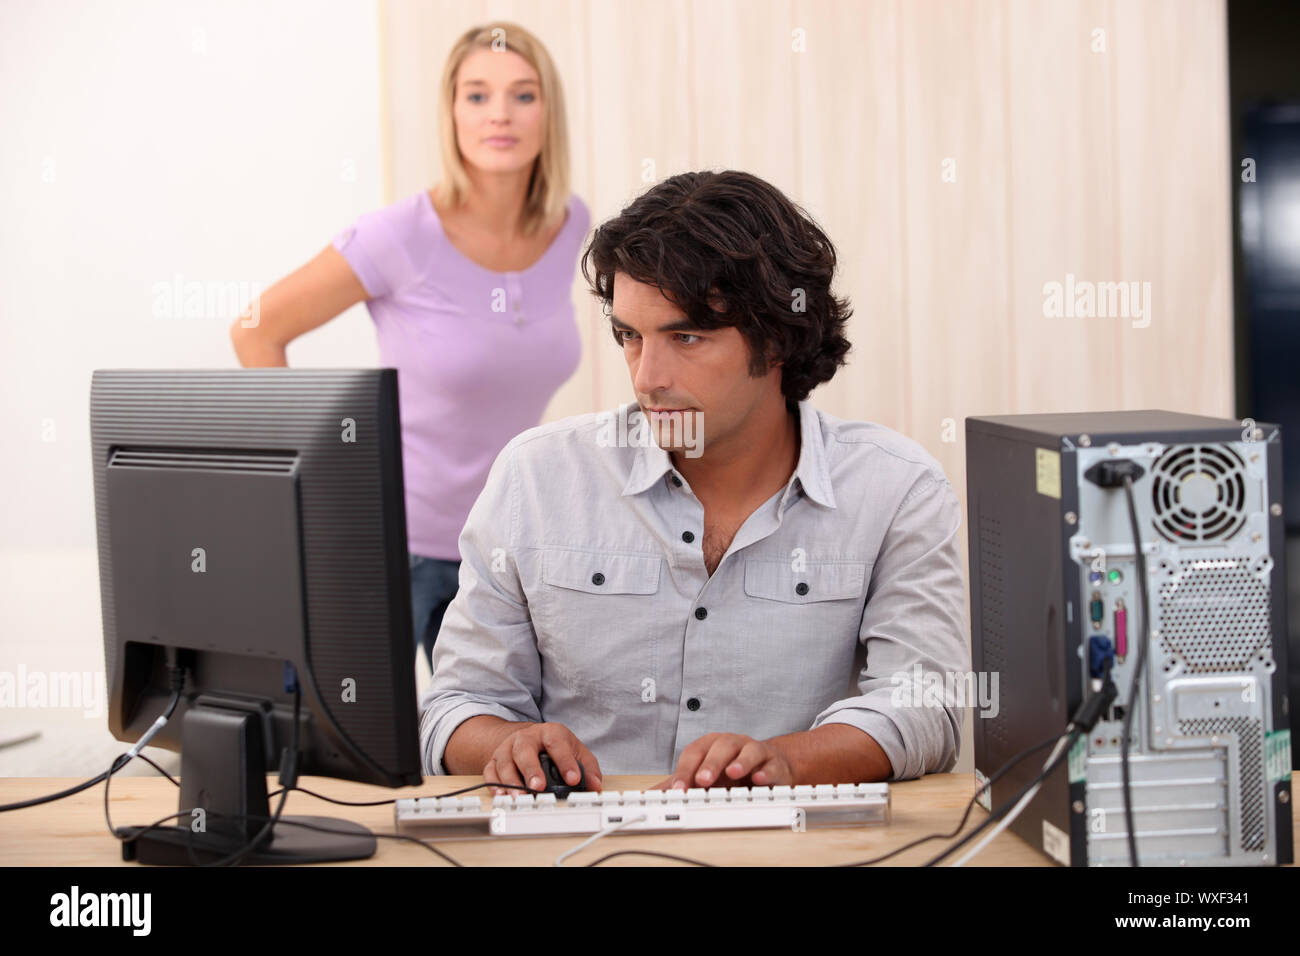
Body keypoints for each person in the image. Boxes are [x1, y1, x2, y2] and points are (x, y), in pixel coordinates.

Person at [420, 169, 970, 793]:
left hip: (790, 852)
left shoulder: (896, 489)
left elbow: (927, 704)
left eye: (686, 337)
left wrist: (789, 762)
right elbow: (454, 704)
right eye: (629, 336)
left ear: (779, 338)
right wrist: (507, 743)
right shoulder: (537, 477)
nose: (648, 377)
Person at [229, 23, 590, 673]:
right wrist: (307, 483)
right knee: (333, 754)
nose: (499, 114)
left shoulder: (571, 227)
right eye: (476, 95)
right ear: (450, 113)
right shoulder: (397, 236)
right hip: (388, 545)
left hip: (506, 550)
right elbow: (255, 328)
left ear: (549, 113)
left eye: (523, 95)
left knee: (508, 755)